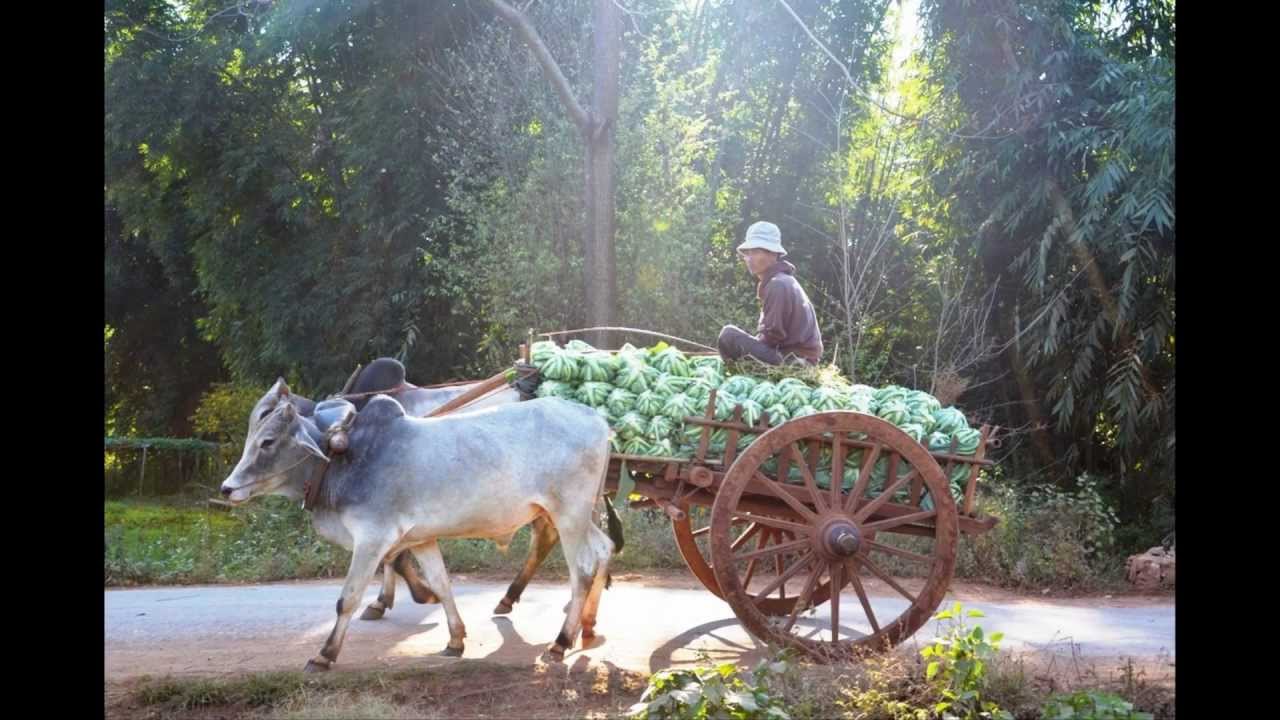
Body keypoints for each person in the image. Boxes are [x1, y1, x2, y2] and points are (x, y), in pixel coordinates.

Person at [717, 221, 824, 365]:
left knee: (728, 335)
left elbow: (773, 336)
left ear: (773, 254)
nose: (749, 258)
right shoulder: (782, 280)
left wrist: (750, 347)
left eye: (755, 252)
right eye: (747, 253)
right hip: (793, 357)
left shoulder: (777, 284)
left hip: (794, 362)